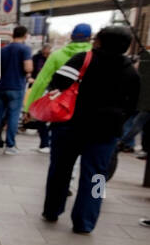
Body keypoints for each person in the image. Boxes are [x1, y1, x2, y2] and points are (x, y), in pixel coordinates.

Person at [40, 25, 140, 233]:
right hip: (106, 132)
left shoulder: (82, 60)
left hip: (70, 125)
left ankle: (52, 210)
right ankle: (86, 221)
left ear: (99, 41)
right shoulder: (130, 71)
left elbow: (56, 84)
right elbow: (133, 106)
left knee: (60, 170)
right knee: (97, 177)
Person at [0, 25, 32, 153]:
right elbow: (28, 68)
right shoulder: (25, 49)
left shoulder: (3, 50)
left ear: (13, 35)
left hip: (1, 87)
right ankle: (10, 145)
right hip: (16, 87)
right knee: (13, 117)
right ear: (25, 35)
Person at [30, 42, 53, 149]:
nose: (47, 52)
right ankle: (45, 142)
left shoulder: (53, 58)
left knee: (43, 116)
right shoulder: (36, 58)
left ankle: (45, 142)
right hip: (36, 85)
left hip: (48, 89)